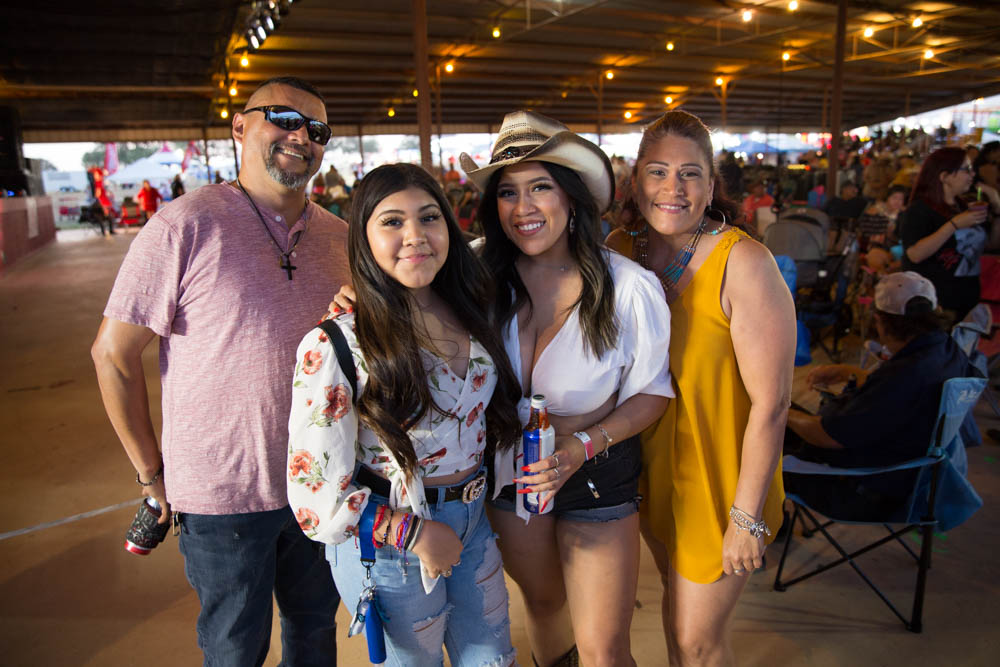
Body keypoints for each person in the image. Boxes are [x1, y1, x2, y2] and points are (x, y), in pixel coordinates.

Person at [91, 76, 347, 666]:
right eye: (283, 118)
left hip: (323, 482)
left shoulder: (339, 238)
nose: (301, 136)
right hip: (222, 496)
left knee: (315, 638)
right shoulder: (185, 225)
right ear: (239, 126)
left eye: (316, 129)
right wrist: (150, 474)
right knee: (234, 650)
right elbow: (112, 354)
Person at [463, 110, 674, 666]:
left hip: (596, 471)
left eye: (540, 187)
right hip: (509, 471)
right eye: (507, 192)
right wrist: (353, 297)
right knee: (544, 603)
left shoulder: (629, 287)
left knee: (604, 649)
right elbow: (399, 284)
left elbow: (653, 392)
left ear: (573, 198)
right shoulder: (476, 273)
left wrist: (583, 445)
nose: (523, 207)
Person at [288, 163, 521, 666]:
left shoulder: (474, 307)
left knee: (494, 659)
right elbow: (313, 495)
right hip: (393, 544)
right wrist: (412, 533)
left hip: (474, 522)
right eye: (392, 221)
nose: (415, 235)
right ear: (363, 238)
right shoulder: (338, 344)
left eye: (429, 217)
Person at [606, 110, 795, 667]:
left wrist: (746, 517)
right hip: (650, 469)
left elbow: (773, 403)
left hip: (722, 477)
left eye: (690, 174)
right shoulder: (621, 248)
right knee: (675, 609)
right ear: (636, 180)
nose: (674, 188)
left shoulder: (745, 262)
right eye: (658, 172)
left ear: (711, 187)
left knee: (697, 641)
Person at [785, 272, 977, 518]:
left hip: (862, 490)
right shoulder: (947, 351)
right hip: (913, 477)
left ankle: (759, 529)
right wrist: (850, 372)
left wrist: (776, 412)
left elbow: (827, 436)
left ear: (880, 320)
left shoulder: (905, 374)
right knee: (783, 420)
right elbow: (904, 398)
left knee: (755, 440)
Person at [900, 147, 989, 322]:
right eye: (966, 169)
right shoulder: (920, 210)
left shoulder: (964, 207)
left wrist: (997, 207)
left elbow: (990, 244)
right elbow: (915, 254)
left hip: (968, 298)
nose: (972, 174)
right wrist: (953, 225)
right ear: (944, 176)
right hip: (937, 304)